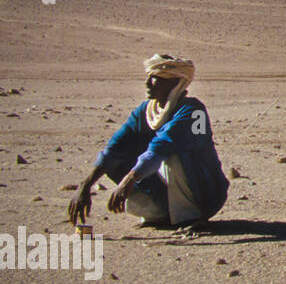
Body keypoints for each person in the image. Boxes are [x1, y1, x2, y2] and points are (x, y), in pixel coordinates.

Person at [69, 54, 229, 228]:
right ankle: (159, 214)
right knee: (116, 160)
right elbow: (115, 148)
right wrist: (85, 186)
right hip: (167, 194)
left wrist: (129, 179)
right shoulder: (145, 112)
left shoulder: (192, 110)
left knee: (171, 155)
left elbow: (161, 147)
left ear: (175, 83)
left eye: (155, 79)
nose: (147, 84)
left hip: (205, 194)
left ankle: (190, 216)